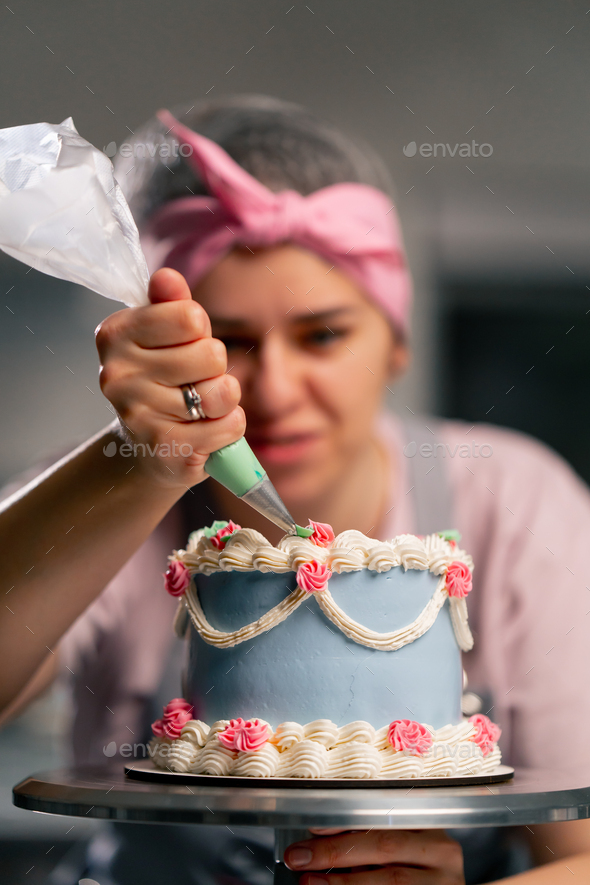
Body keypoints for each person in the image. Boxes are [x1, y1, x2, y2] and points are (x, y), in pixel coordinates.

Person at [1, 93, 590, 885]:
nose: (274, 389)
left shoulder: (515, 501)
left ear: (396, 340)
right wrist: (137, 461)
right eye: (228, 339)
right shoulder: (101, 495)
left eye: (323, 333)